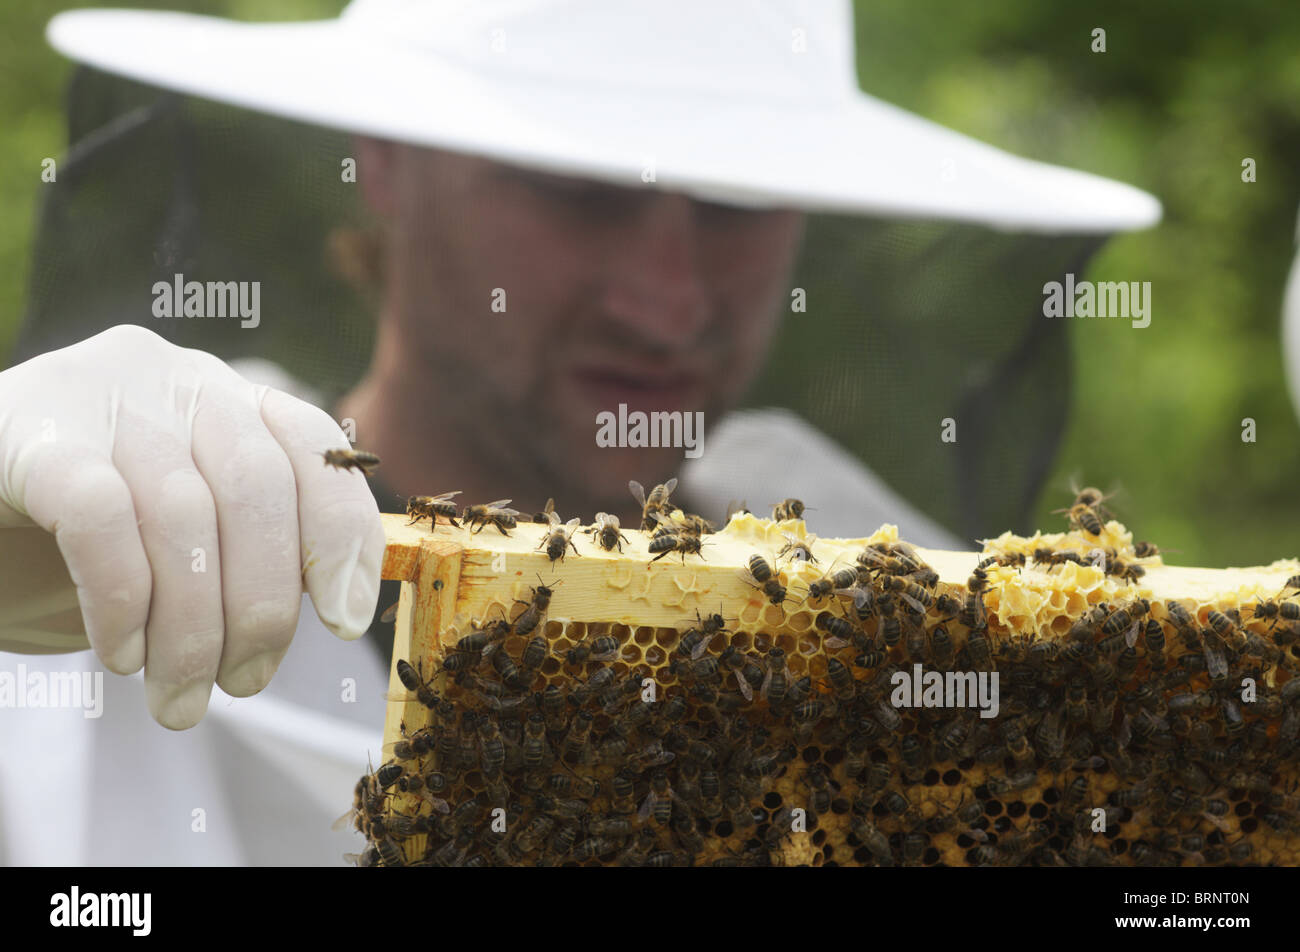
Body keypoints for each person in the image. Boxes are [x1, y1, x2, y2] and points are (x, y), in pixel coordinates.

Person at [0, 0, 1160, 864]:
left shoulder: (901, 612)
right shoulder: (109, 544)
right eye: (576, 190)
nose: (667, 301)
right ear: (388, 163)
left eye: (736, 206)